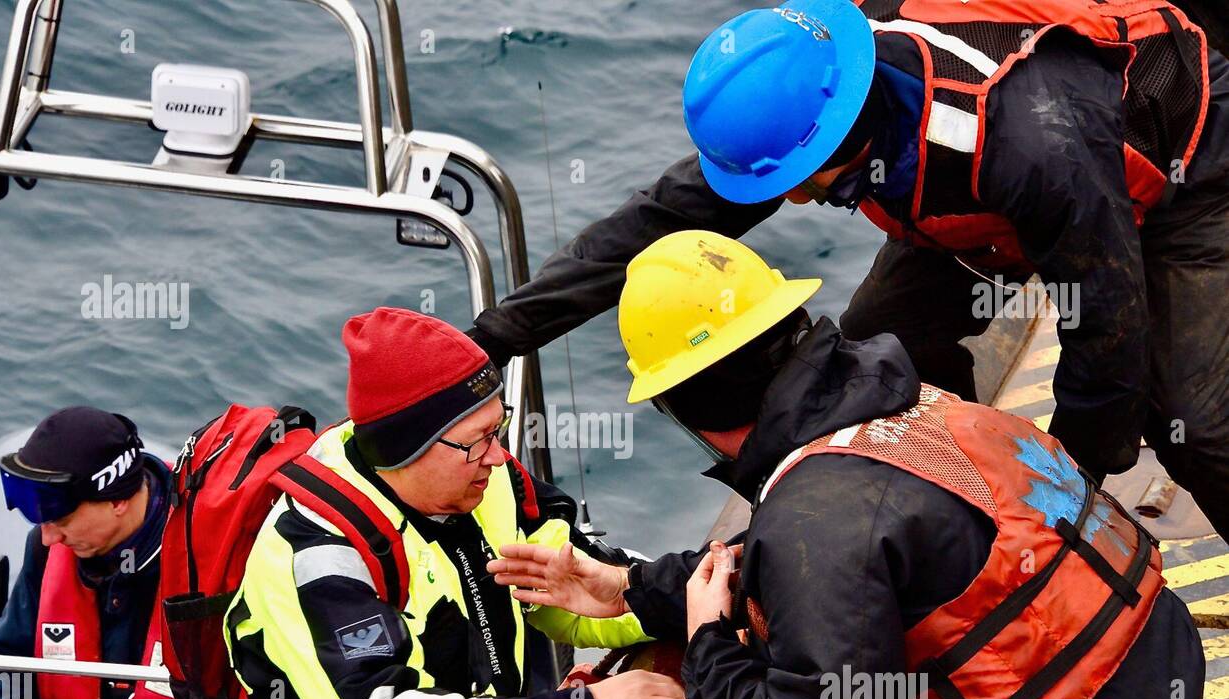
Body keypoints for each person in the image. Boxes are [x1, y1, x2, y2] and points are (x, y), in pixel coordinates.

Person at [488, 232, 1205, 699]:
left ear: (690, 409)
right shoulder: (904, 407)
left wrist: (708, 645)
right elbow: (817, 557)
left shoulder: (816, 517)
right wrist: (631, 586)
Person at [469, 0, 1229, 541]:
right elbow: (654, 222)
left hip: (1178, 174)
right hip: (973, 198)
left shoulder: (1031, 145)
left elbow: (1106, 324)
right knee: (860, 370)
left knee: (1196, 422)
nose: (789, 198)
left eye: (799, 179)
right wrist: (496, 337)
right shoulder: (814, 94)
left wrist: (1071, 505)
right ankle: (936, 544)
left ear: (845, 141)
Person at [224, 307, 700, 699]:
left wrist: (641, 596)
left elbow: (578, 586)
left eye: (498, 431)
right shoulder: (314, 555)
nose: (497, 457)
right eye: (476, 442)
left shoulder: (490, 483)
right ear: (406, 448)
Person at [0, 406, 196, 699]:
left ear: (117, 501)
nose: (49, 537)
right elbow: (9, 657)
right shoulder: (45, 550)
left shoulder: (206, 556)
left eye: (61, 521)